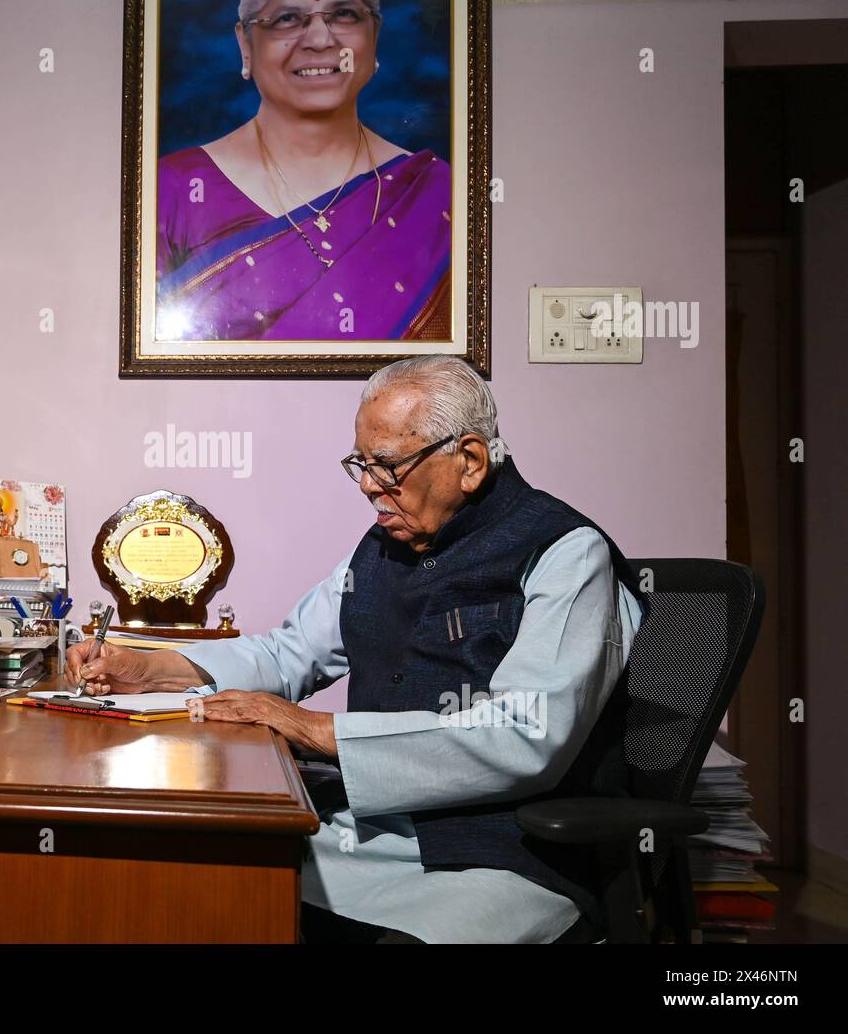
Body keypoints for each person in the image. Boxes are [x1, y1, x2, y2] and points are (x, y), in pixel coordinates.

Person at [67, 355, 647, 943]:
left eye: (388, 466)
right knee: (198, 885)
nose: (370, 486)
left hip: (507, 853)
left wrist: (314, 729)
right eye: (361, 465)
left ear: (469, 461)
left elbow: (523, 735)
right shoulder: (385, 546)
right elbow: (290, 654)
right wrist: (153, 670)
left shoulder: (567, 553)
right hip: (379, 831)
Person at [155, 0, 451, 343]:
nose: (319, 40)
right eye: (287, 19)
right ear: (245, 43)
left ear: (374, 35)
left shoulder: (437, 194)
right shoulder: (173, 191)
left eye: (344, 14)